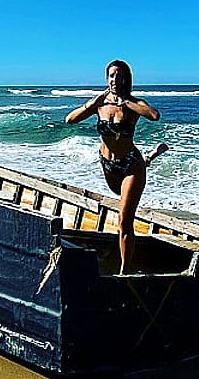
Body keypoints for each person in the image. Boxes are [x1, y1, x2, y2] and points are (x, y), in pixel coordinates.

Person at [65, 59, 168, 274]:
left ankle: (125, 271)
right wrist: (94, 103)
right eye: (111, 75)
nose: (114, 79)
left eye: (119, 76)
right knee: (119, 195)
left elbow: (154, 115)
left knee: (124, 221)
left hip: (131, 165)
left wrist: (125, 102)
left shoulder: (132, 104)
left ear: (126, 79)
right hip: (108, 166)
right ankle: (152, 155)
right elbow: (70, 120)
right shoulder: (100, 104)